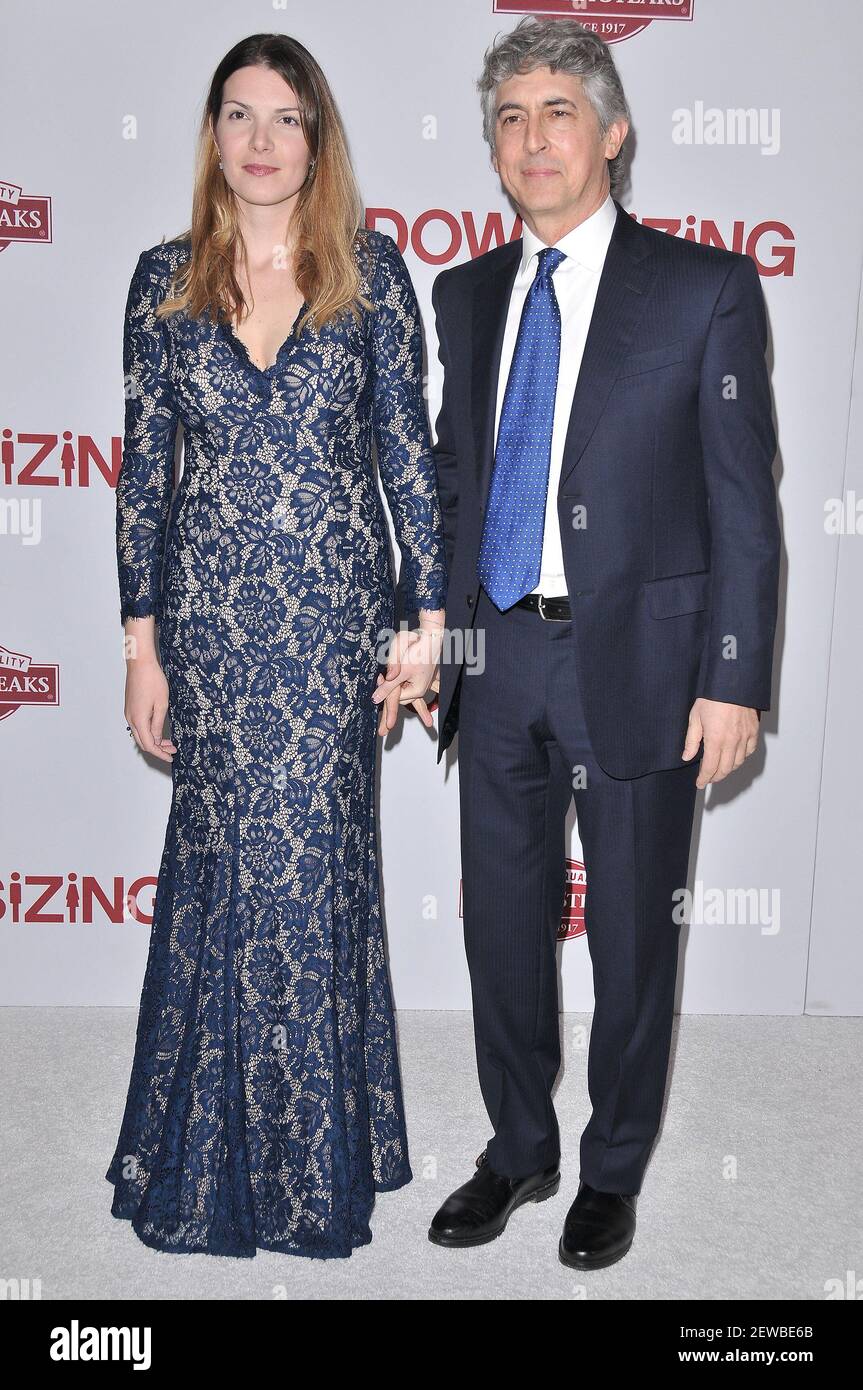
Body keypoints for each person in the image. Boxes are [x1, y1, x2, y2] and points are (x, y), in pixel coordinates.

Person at [417, 17, 780, 1268]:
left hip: (641, 660)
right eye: (509, 118)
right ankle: (517, 1146)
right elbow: (457, 479)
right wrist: (433, 636)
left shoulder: (703, 288)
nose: (531, 139)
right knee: (500, 924)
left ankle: (609, 1167)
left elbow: (743, 500)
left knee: (633, 932)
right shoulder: (461, 296)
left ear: (611, 135)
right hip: (497, 653)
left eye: (556, 112)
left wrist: (733, 677)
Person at [106, 32, 447, 1259]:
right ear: (212, 134)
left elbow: (407, 457)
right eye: (239, 115)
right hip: (204, 628)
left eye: (285, 118)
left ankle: (312, 1169)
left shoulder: (368, 270)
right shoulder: (161, 279)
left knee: (306, 882)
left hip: (323, 627)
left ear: (317, 137)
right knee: (222, 870)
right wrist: (142, 645)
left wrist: (430, 620)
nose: (260, 141)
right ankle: (208, 1158)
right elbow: (144, 478)